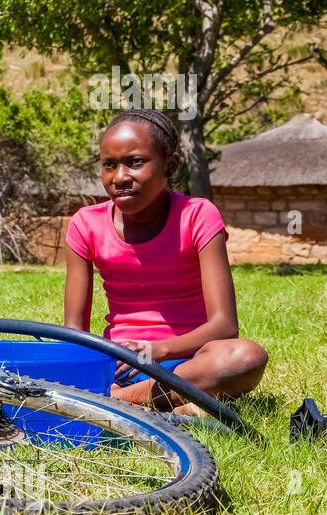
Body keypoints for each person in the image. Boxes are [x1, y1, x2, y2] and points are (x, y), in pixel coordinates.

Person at [63, 108, 268, 413]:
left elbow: (225, 326)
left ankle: (119, 402)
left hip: (191, 359)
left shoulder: (197, 215)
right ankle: (178, 402)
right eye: (109, 165)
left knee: (245, 358)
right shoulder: (86, 224)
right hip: (121, 363)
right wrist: (100, 364)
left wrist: (154, 351)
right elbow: (73, 332)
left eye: (135, 162)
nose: (119, 177)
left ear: (169, 164)